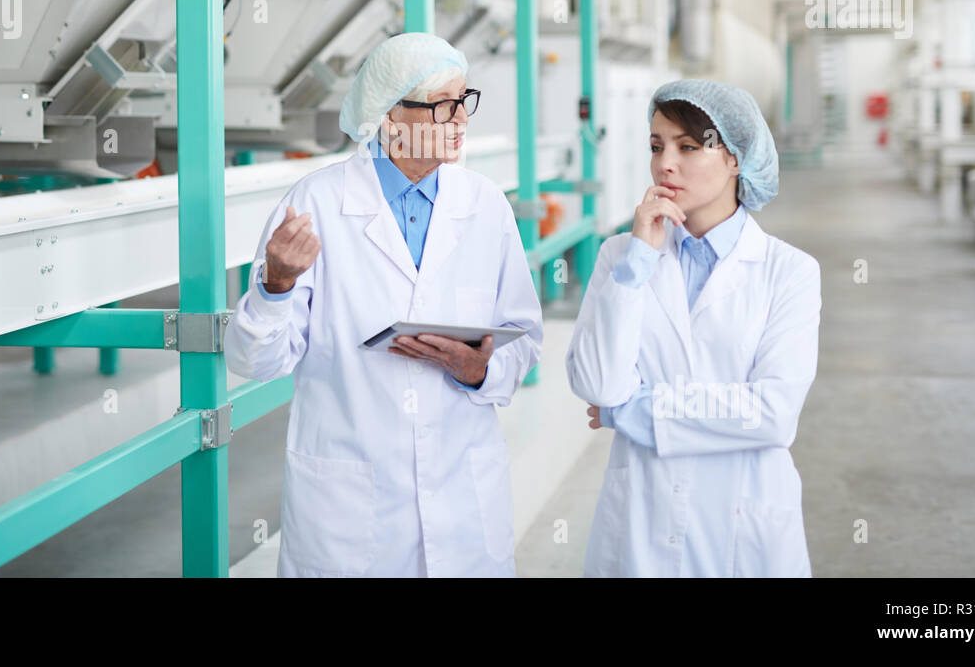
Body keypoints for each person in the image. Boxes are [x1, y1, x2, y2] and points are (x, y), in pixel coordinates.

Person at [224, 32, 543, 577]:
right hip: (351, 508)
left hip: (461, 493)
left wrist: (479, 369)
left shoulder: (485, 206)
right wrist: (275, 286)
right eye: (444, 106)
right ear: (391, 116)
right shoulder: (316, 205)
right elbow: (254, 362)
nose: (461, 119)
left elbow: (524, 335)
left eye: (464, 101)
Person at [565, 78, 821, 577]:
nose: (665, 163)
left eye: (688, 147)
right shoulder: (620, 256)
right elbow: (597, 384)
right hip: (642, 517)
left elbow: (773, 413)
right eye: (657, 146)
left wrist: (634, 412)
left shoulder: (787, 271)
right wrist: (638, 260)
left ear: (735, 159)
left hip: (743, 520)